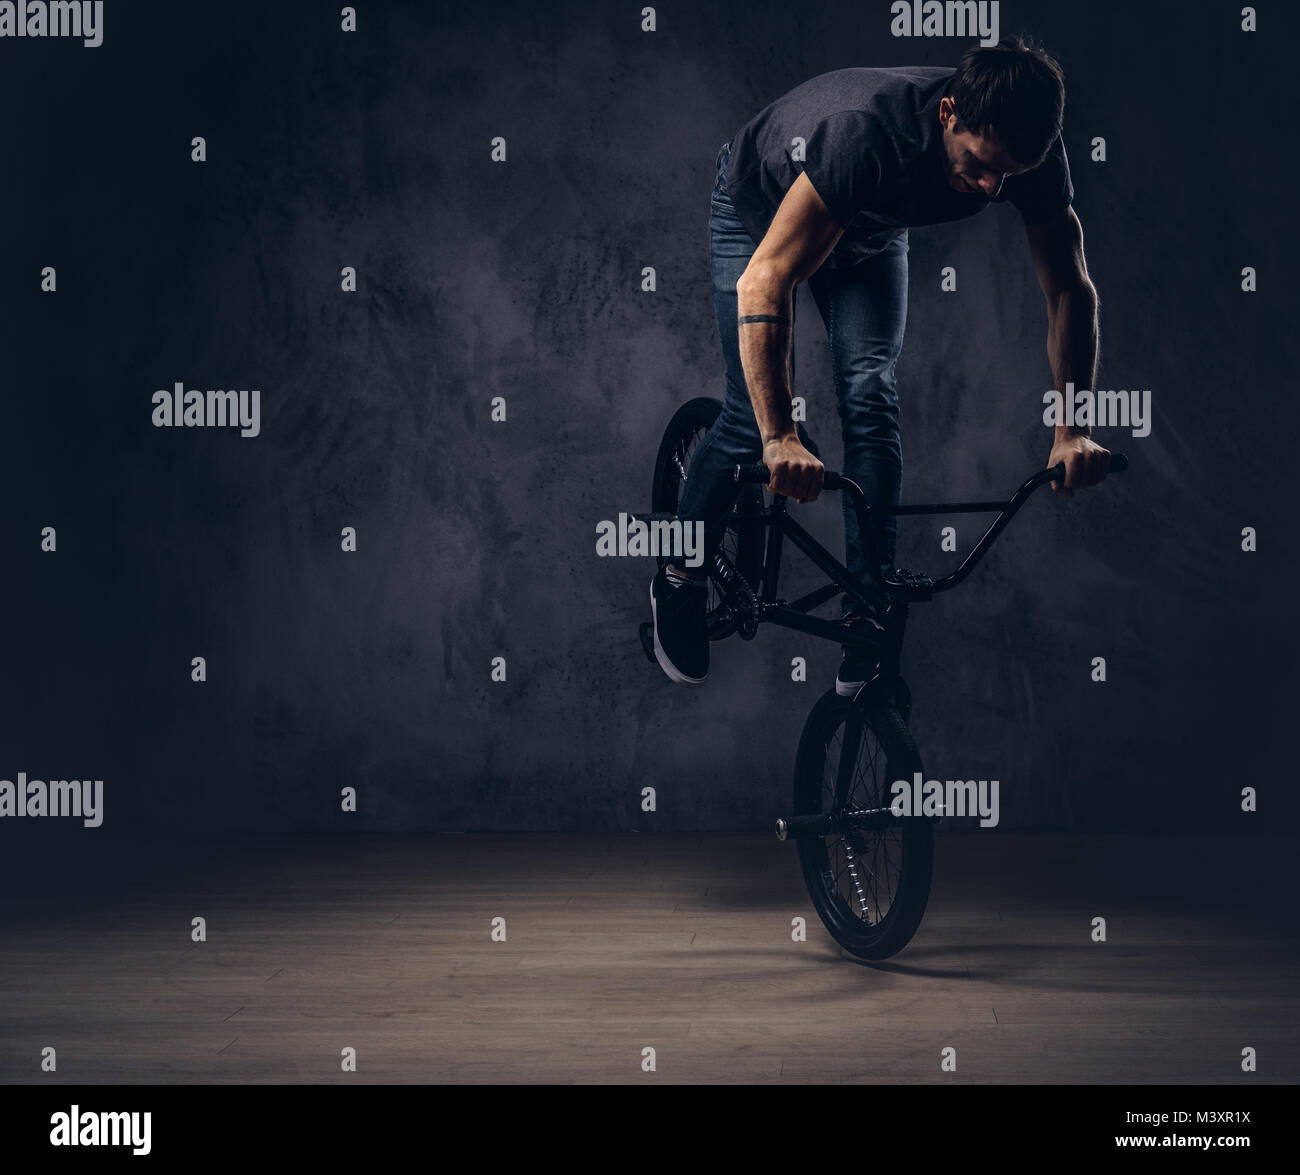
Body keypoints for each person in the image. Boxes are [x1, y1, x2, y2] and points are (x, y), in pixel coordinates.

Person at [650, 36, 1113, 692]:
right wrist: (780, 436)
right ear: (948, 112)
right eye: (981, 166)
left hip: (868, 227)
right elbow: (766, 280)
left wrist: (1073, 427)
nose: (991, 189)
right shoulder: (866, 134)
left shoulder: (1025, 154)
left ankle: (866, 611)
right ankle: (677, 574)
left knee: (870, 394)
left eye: (1007, 175)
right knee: (749, 418)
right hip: (759, 217)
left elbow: (1069, 287)